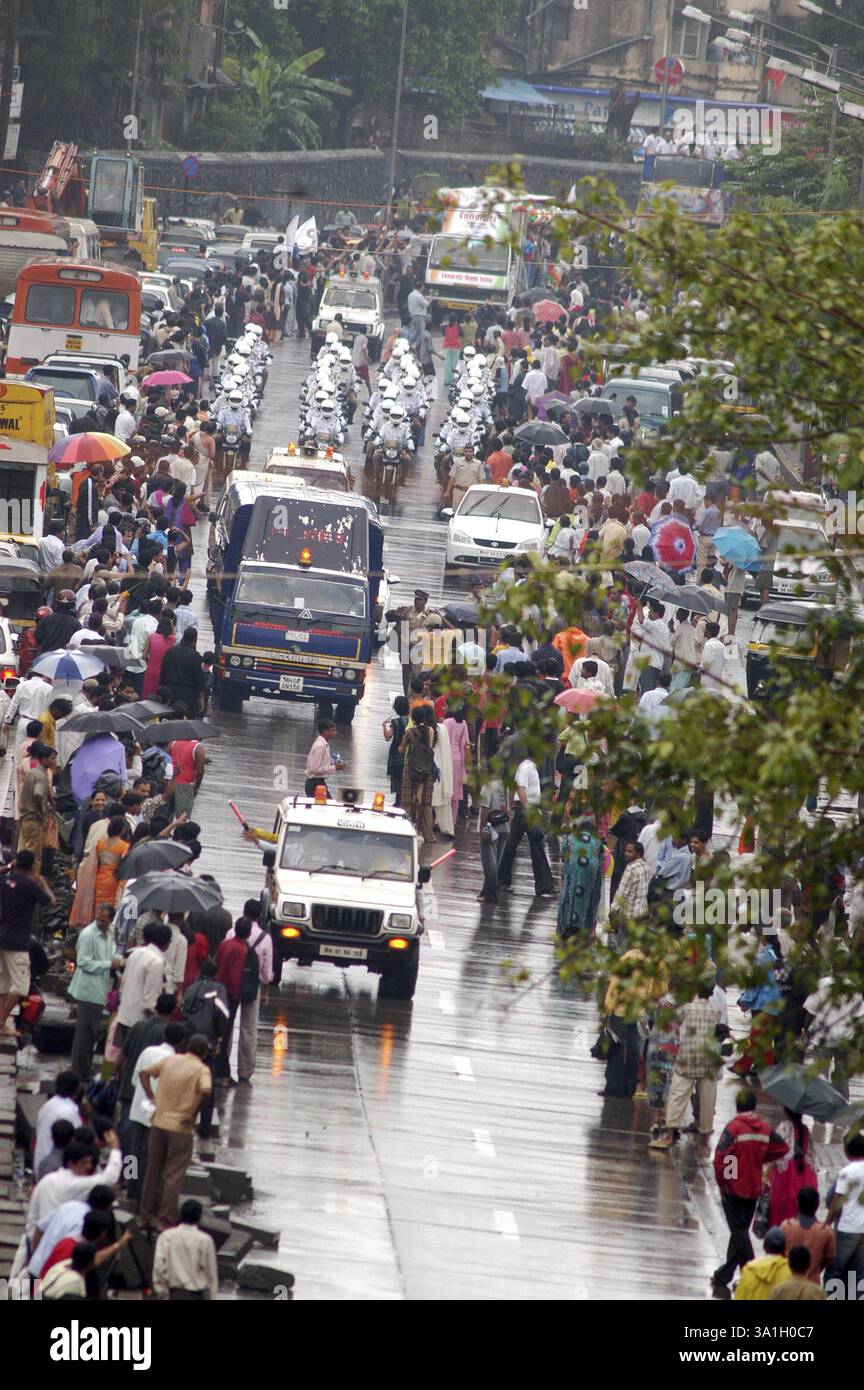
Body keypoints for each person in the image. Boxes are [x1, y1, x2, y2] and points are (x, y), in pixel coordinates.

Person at [711, 1090, 789, 1298]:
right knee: (740, 1232)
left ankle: (754, 1273)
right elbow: (781, 1147)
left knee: (739, 1232)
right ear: (754, 1106)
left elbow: (722, 1157)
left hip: (734, 1189)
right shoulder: (764, 1128)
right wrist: (760, 1159)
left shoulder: (733, 1128)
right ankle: (724, 1276)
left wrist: (725, 1181)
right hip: (753, 1187)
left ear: (738, 1106)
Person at [138, 1034, 212, 1229]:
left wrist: (151, 1098)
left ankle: (143, 1212)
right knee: (172, 1174)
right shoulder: (201, 1069)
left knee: (147, 1166)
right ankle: (166, 1217)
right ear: (204, 1052)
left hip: (152, 1119)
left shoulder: (168, 1060)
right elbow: (205, 1090)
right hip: (179, 1126)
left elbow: (143, 1073)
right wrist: (193, 1113)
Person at [648, 976, 720, 1149]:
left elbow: (675, 1023)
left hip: (687, 1058)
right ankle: (705, 1138)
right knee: (707, 1100)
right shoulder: (715, 1012)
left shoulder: (687, 1009)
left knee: (677, 1096)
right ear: (711, 993)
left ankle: (670, 1135)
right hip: (707, 1061)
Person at [127, 1020, 186, 1204]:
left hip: (137, 1110)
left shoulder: (148, 1052)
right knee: (149, 1157)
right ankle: (141, 1193)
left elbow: (135, 1079)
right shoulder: (175, 1062)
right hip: (156, 1117)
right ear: (181, 1042)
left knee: (133, 1152)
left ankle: (131, 1187)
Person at [0, 851, 55, 1035]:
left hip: (3, 937)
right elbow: (51, 902)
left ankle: (2, 1022)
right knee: (20, 986)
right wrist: (42, 882)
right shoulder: (30, 886)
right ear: (32, 867)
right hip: (18, 942)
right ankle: (1, 1023)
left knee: (4, 983)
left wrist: (8, 868)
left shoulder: (6, 881)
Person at [601, 948, 667, 1099]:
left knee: (616, 1050)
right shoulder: (648, 966)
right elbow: (653, 990)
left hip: (620, 1012)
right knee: (634, 1049)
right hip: (638, 1013)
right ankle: (629, 1087)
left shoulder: (624, 962)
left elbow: (614, 988)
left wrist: (608, 1007)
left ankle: (613, 1087)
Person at [68, 903, 120, 1082]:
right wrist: (108, 964)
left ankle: (83, 1069)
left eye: (104, 921)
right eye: (98, 919)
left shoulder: (111, 932)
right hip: (88, 989)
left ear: (111, 920)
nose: (100, 923)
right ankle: (79, 1072)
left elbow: (110, 955)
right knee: (85, 1033)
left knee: (90, 1032)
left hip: (100, 990)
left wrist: (120, 961)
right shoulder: (88, 935)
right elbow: (83, 962)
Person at [224, 906, 272, 1085]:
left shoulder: (231, 933)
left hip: (230, 985)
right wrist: (265, 991)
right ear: (259, 916)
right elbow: (267, 970)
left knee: (226, 1026)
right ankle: (245, 1071)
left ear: (244, 912)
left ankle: (223, 1066)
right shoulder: (265, 938)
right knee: (249, 1029)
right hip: (253, 986)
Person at [497, 753, 555, 898]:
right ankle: (544, 886)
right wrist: (528, 808)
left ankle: (503, 879)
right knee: (537, 845)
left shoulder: (531, 767)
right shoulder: (526, 767)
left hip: (525, 810)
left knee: (512, 845)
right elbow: (520, 787)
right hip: (526, 811)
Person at [115, 923, 172, 1043]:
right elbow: (150, 1000)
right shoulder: (156, 962)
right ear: (166, 943)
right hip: (139, 1021)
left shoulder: (135, 953)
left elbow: (122, 983)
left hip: (124, 1014)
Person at [152, 1198, 218, 1300]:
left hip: (174, 1293)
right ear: (199, 1217)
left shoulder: (166, 1236)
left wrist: (161, 1291)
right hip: (197, 1295)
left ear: (181, 1215)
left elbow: (158, 1266)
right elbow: (211, 1275)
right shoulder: (205, 1240)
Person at [214, 917, 254, 1085]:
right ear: (248, 933)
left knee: (217, 1032)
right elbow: (235, 977)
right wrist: (237, 994)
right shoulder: (241, 950)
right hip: (229, 996)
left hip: (217, 990)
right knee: (225, 1033)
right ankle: (223, 1074)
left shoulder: (225, 944)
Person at [826, 1130, 864, 1293]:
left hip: (847, 1229)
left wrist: (825, 1224)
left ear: (846, 1150)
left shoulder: (847, 1172)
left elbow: (834, 1203)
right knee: (858, 1274)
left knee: (834, 1271)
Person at [767, 1108, 817, 1227]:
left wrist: (766, 1172)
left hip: (785, 1177)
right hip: (802, 1175)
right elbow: (811, 1155)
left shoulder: (783, 1127)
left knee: (779, 1213)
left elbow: (775, 1153)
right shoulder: (805, 1130)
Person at [780, 1187, 836, 1284]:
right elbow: (830, 1257)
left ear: (797, 1203)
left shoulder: (786, 1226)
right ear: (817, 1205)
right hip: (813, 1282)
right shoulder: (825, 1232)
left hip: (787, 1282)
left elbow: (779, 1254)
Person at [400, 704, 437, 843]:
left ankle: (406, 830)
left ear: (413, 718)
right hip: (427, 768)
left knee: (407, 799)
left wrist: (402, 747)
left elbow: (402, 749)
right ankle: (428, 835)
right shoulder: (431, 731)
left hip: (410, 768)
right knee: (426, 802)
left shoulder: (410, 732)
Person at [33, 1071, 83, 1176]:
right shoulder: (70, 1111)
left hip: (39, 1165)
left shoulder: (46, 1106)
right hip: (54, 1171)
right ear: (77, 1089)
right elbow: (79, 1142)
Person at [733, 1227, 791, 1301]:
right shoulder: (790, 1272)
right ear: (784, 1248)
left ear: (764, 1247)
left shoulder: (749, 1270)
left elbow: (740, 1297)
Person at [304, 718, 343, 797]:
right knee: (327, 807)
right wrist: (334, 768)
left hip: (318, 782)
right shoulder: (320, 746)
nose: (335, 733)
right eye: (333, 730)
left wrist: (334, 764)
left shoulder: (324, 744)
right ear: (325, 731)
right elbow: (314, 769)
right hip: (315, 783)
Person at [384, 695, 410, 805]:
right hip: (408, 753)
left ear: (396, 708)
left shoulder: (395, 722)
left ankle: (398, 801)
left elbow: (387, 737)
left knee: (397, 779)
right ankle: (403, 800)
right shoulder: (411, 721)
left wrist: (383, 725)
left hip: (395, 754)